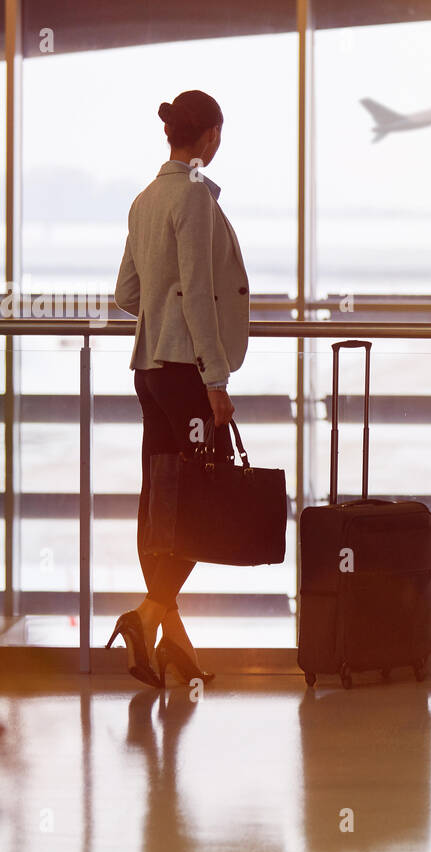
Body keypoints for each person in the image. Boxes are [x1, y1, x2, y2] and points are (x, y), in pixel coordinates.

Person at [112, 89, 249, 687]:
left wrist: (162, 310)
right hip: (188, 375)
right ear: (210, 136)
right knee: (199, 503)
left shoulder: (145, 200)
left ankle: (175, 643)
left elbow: (126, 295)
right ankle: (145, 616)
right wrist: (215, 380)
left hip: (150, 370)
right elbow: (195, 291)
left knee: (161, 500)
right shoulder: (193, 196)